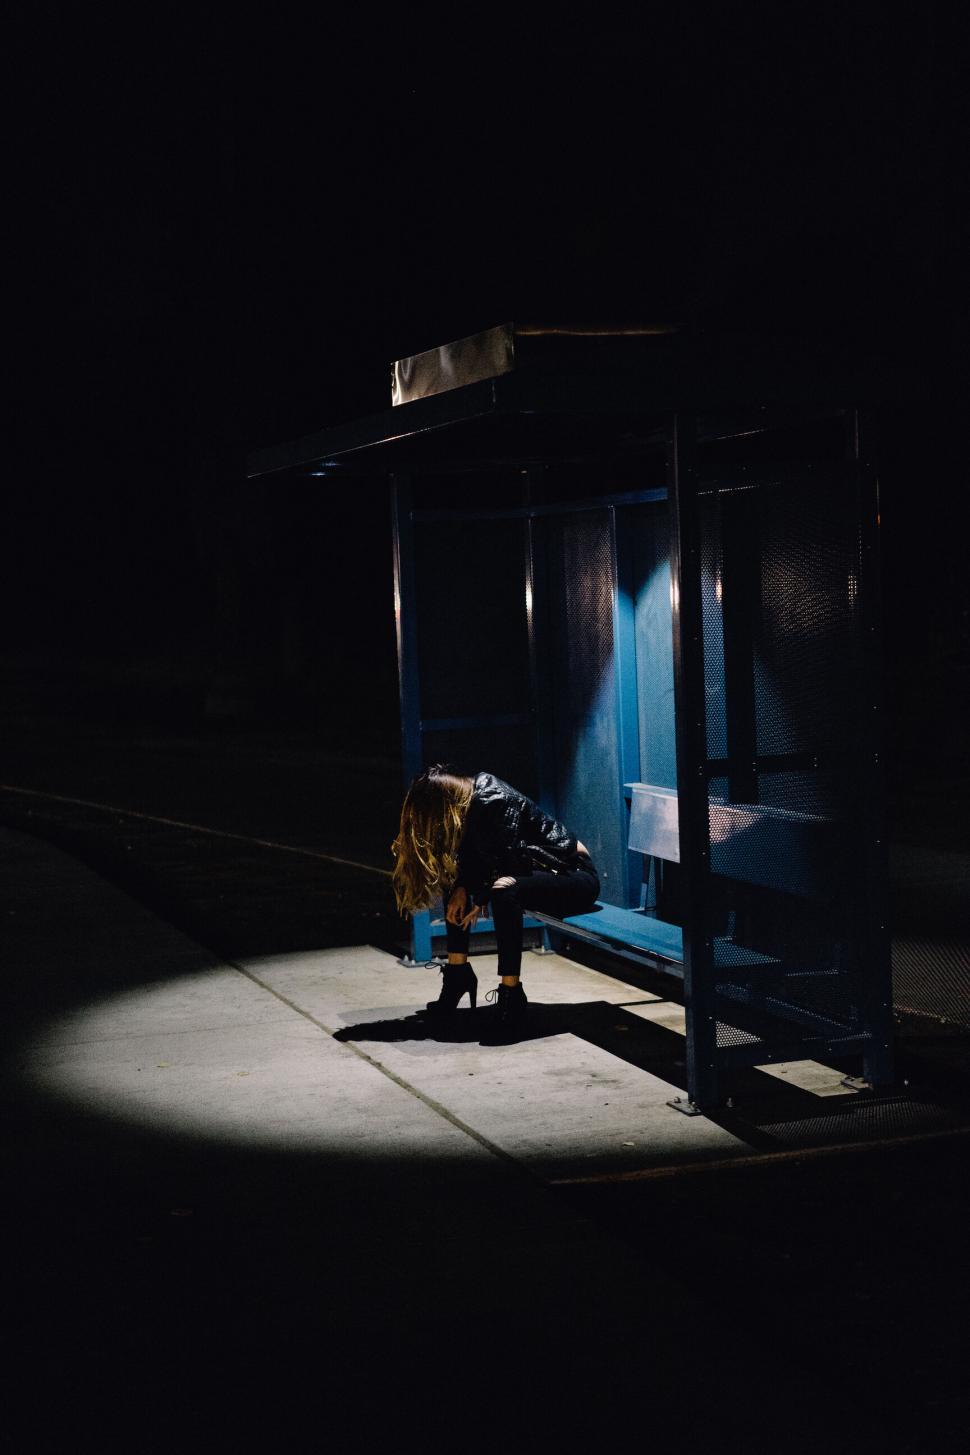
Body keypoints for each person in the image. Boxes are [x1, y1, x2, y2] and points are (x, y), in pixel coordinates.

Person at [391, 765, 600, 1043]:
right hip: (533, 874)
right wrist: (466, 890)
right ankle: (457, 974)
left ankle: (512, 994)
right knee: (458, 889)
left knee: (504, 891)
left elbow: (511, 863)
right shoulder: (467, 806)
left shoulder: (493, 799)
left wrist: (480, 898)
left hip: (573, 876)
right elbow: (479, 861)